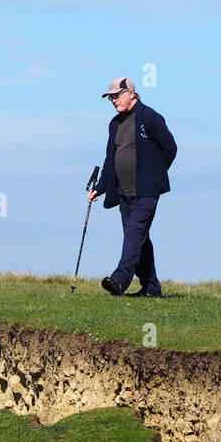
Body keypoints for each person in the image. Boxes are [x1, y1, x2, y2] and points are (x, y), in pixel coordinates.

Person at [87, 77, 177, 297]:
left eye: (117, 95)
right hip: (124, 193)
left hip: (146, 192)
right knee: (140, 239)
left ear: (131, 93)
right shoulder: (114, 124)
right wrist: (100, 187)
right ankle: (151, 289)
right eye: (111, 98)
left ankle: (119, 280)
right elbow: (111, 159)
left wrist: (155, 176)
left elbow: (170, 148)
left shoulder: (150, 117)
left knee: (133, 235)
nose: (113, 100)